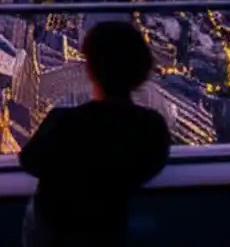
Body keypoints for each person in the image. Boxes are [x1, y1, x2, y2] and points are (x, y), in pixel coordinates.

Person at [19, 20, 171, 246]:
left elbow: (30, 160)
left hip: (56, 230)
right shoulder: (152, 127)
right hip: (108, 228)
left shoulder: (66, 122)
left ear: (90, 70)